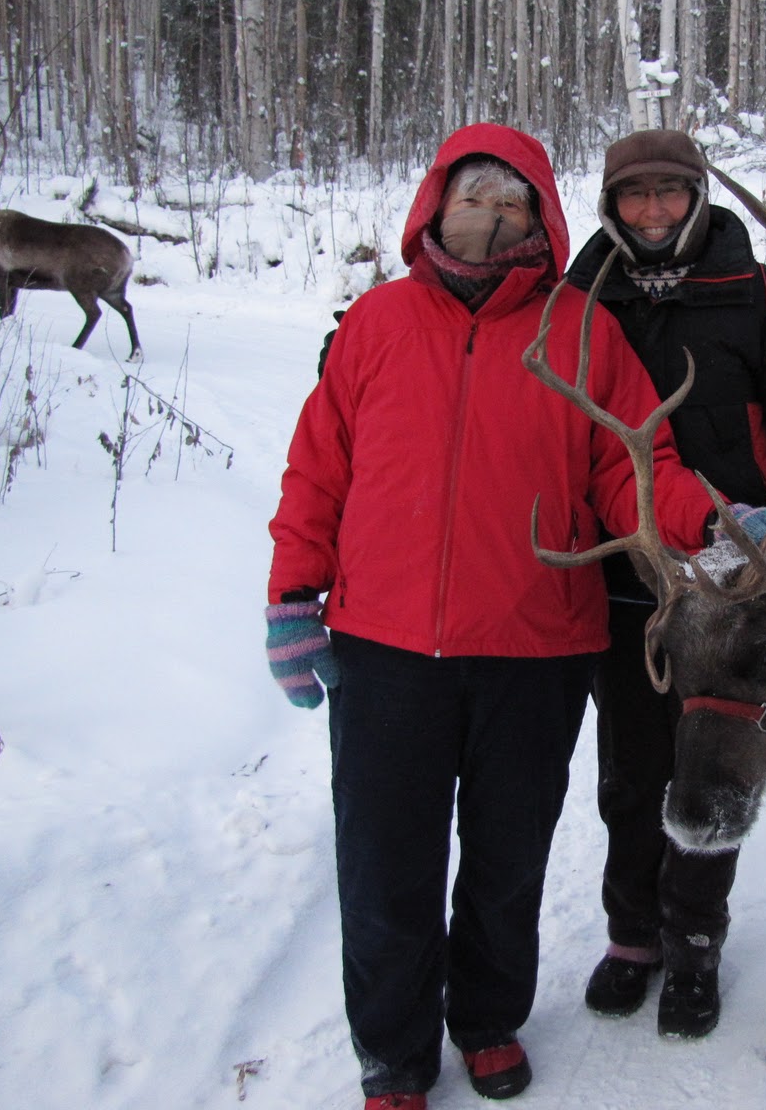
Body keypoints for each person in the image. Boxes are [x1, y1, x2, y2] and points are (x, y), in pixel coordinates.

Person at [266, 123, 717, 1110]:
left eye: (510, 203)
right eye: (472, 198)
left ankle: (486, 1019)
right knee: (385, 861)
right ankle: (391, 1051)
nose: (489, 218)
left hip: (537, 648)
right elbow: (317, 470)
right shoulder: (376, 325)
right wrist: (293, 595)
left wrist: (710, 524)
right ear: (436, 206)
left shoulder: (583, 332)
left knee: (508, 858)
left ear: (542, 218)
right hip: (386, 650)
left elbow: (636, 465)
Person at [567, 129, 766, 1039]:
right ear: (610, 206)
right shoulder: (577, 303)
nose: (652, 212)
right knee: (631, 773)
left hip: (738, 590)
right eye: (633, 197)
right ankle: (633, 935)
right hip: (628, 579)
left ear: (697, 196)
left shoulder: (765, 298)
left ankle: (695, 939)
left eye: (669, 193)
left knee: (713, 765)